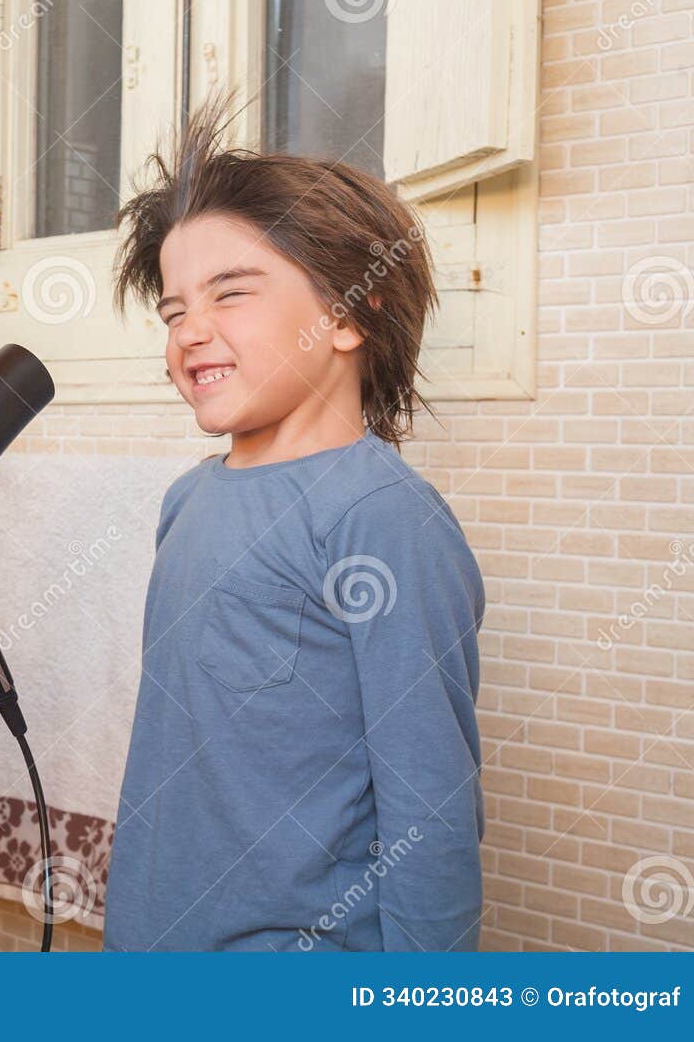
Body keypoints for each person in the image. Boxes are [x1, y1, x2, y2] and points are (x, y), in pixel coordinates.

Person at [102, 95, 486, 951]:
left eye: (231, 294)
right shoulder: (189, 500)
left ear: (349, 314)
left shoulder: (383, 522)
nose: (189, 333)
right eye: (172, 311)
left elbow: (433, 815)